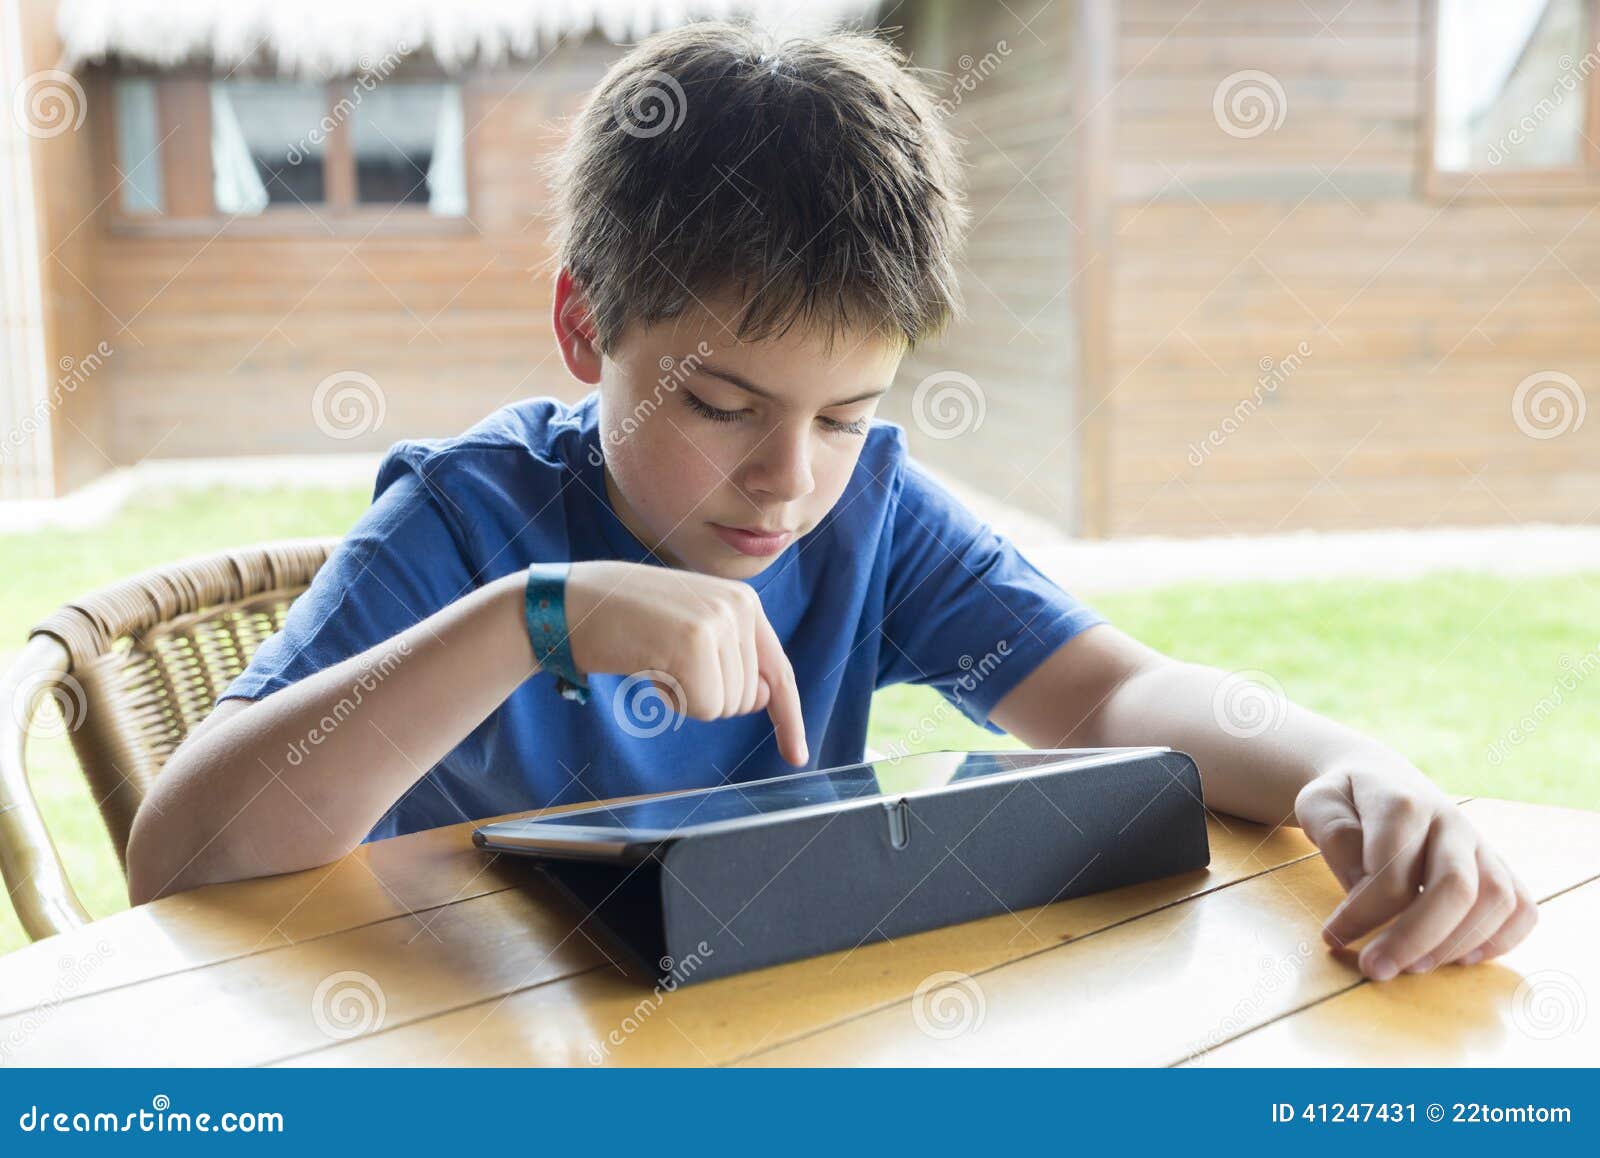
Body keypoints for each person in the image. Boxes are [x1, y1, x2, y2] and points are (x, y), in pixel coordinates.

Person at [125, 22, 1536, 984]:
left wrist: (1346, 765)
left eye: (848, 415)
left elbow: (1112, 699)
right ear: (583, 328)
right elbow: (178, 858)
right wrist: (530, 620)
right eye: (720, 405)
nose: (787, 479)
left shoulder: (867, 519)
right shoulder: (468, 521)